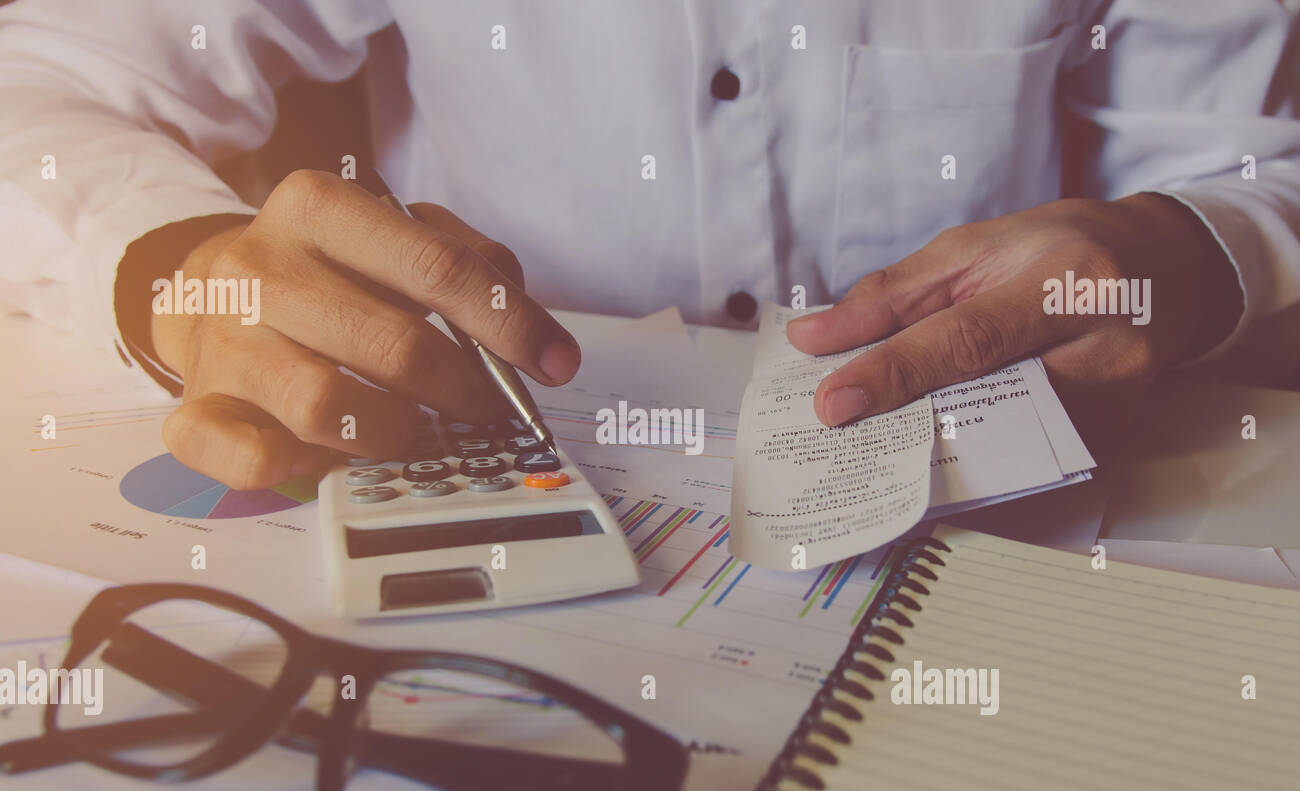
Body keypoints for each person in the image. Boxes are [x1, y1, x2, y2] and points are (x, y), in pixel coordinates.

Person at [1, 1, 1296, 489]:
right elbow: (42, 78)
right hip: (488, 500)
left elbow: (1249, 165)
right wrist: (165, 265)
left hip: (1027, 524)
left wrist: (1184, 247)